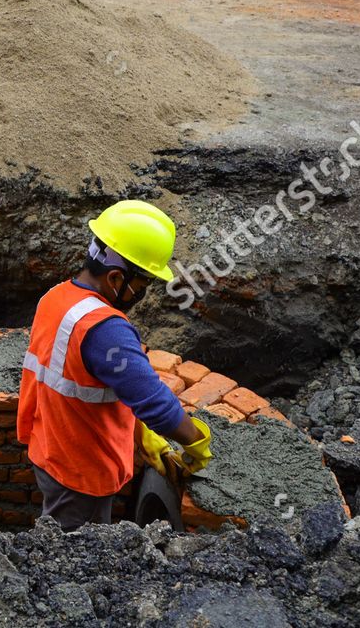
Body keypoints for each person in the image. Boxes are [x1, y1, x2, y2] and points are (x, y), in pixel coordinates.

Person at [18, 200, 214, 530]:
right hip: (82, 473)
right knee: (77, 555)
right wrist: (196, 443)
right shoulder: (105, 330)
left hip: (50, 447)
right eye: (144, 284)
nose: (144, 292)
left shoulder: (57, 298)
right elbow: (155, 403)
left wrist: (141, 434)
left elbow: (95, 381)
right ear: (115, 277)